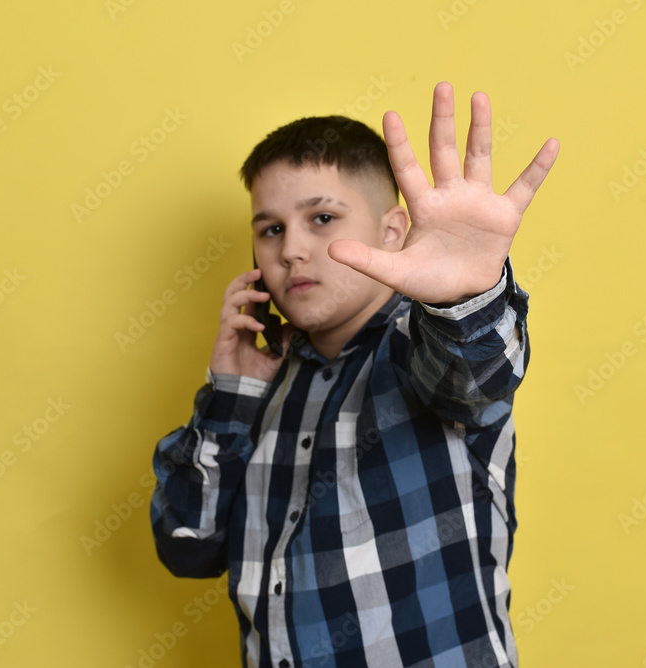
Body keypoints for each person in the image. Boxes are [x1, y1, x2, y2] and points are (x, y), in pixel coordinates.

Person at [149, 81, 559, 667]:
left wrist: (467, 293)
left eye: (321, 217)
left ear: (392, 231)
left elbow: (476, 373)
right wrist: (232, 395)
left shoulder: (423, 347)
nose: (291, 250)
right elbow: (186, 548)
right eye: (270, 229)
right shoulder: (266, 384)